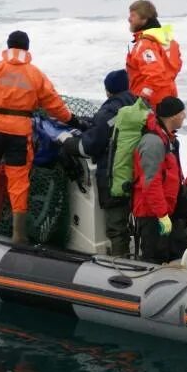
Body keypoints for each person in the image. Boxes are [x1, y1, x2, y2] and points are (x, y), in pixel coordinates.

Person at [0, 30, 81, 245]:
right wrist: (72, 120)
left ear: (8, 45)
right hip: (19, 132)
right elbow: (53, 104)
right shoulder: (35, 74)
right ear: (27, 48)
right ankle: (18, 235)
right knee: (18, 183)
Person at [60, 69, 137, 256]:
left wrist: (65, 141)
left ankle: (121, 265)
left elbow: (88, 146)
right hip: (137, 174)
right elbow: (107, 126)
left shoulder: (109, 111)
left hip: (114, 177)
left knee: (116, 227)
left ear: (108, 90)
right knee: (133, 223)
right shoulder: (139, 106)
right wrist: (83, 123)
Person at [132, 96, 186, 263]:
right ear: (173, 116)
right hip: (152, 213)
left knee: (165, 253)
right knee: (153, 257)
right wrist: (162, 215)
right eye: (182, 113)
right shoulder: (154, 142)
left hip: (162, 210)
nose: (184, 116)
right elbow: (150, 183)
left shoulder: (165, 138)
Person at [126, 0, 182, 109]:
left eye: (133, 15)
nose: (129, 19)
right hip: (170, 97)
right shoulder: (169, 41)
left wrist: (142, 100)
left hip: (152, 104)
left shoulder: (145, 44)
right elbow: (176, 66)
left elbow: (155, 74)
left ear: (144, 19)